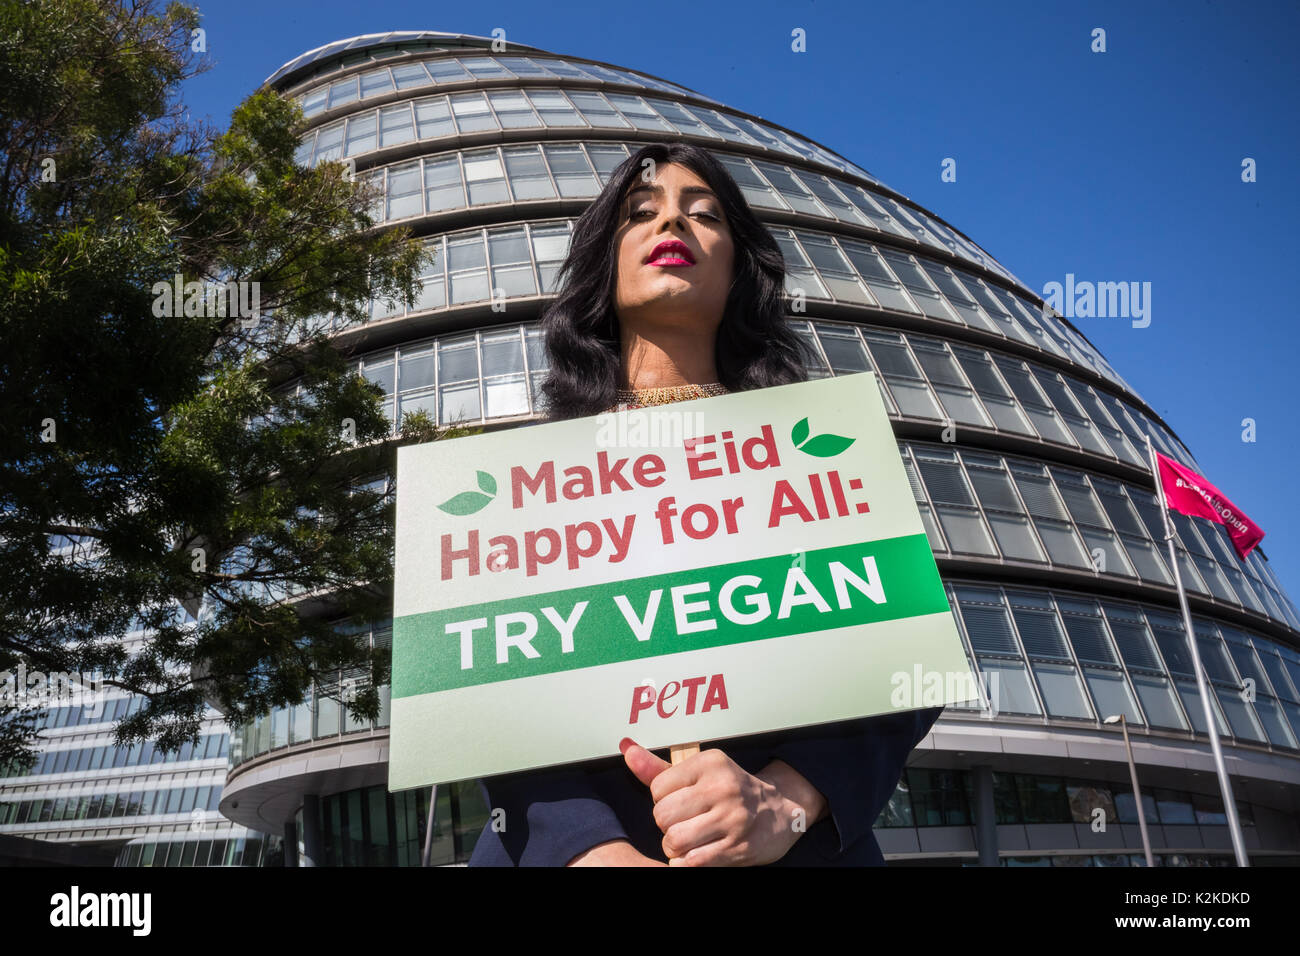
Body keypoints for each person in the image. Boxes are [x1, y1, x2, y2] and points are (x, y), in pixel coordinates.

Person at [467, 142, 942, 866]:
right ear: (604, 260)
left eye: (704, 214)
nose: (673, 226)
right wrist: (591, 851)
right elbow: (490, 695)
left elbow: (904, 667)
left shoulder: (819, 453)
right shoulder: (520, 486)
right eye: (642, 213)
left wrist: (785, 797)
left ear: (738, 266)